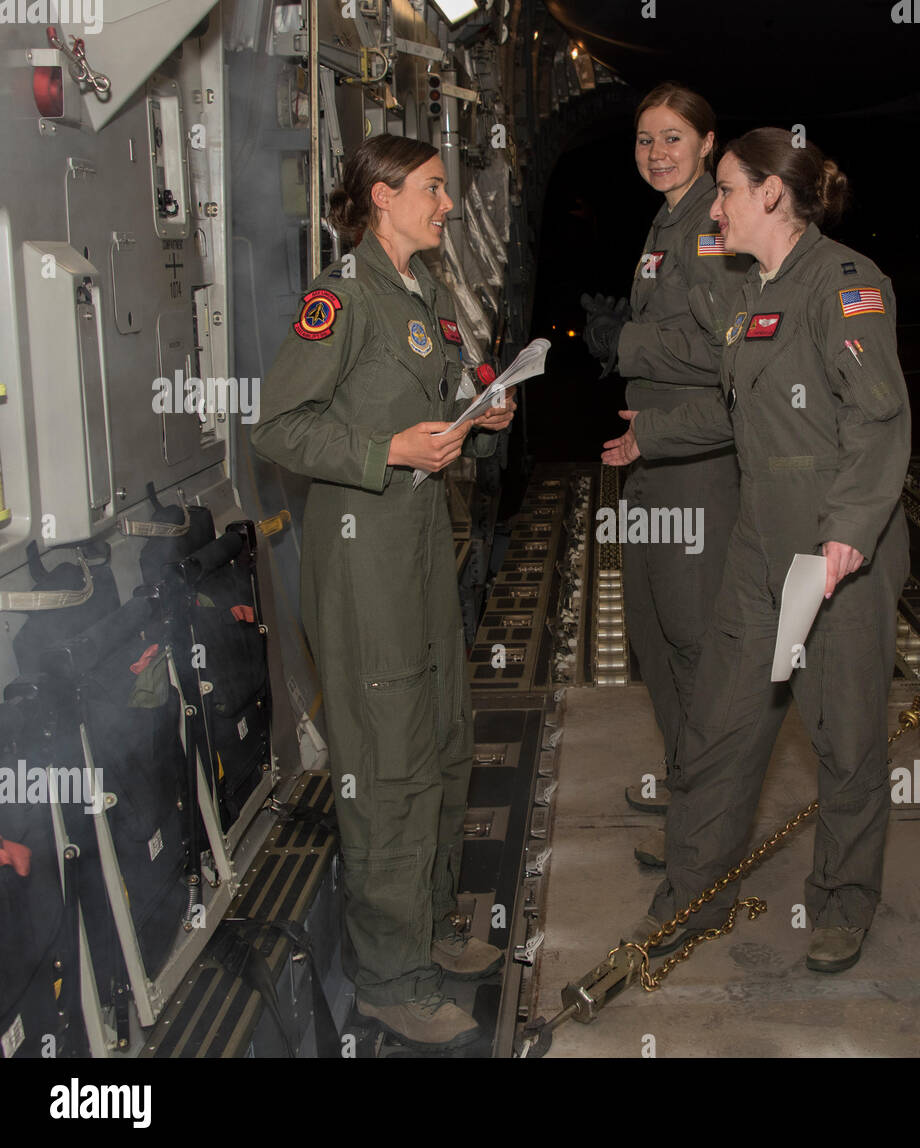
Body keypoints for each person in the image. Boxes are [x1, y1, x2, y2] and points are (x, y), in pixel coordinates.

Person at [602, 127, 911, 973]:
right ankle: (695, 898)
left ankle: (844, 902)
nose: (718, 207)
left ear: (772, 195)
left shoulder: (845, 284)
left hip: (832, 558)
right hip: (757, 548)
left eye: (729, 191)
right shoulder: (753, 293)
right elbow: (737, 414)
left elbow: (878, 419)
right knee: (718, 727)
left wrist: (847, 533)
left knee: (844, 739)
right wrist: (651, 438)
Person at [250, 134, 515, 1051]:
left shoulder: (424, 294)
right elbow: (278, 426)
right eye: (436, 190)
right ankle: (387, 980)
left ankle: (433, 931)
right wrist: (383, 454)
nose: (449, 205)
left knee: (443, 741)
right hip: (362, 570)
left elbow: (438, 407)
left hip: (418, 554)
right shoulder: (341, 298)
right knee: (388, 766)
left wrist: (482, 414)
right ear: (384, 194)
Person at [580, 84, 751, 861]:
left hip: (695, 468)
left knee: (690, 642)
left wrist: (628, 347)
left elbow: (729, 353)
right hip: (653, 454)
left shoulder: (706, 231)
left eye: (674, 138)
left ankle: (709, 834)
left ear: (708, 144)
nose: (657, 152)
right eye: (646, 139)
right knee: (651, 635)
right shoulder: (666, 220)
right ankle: (690, 790)